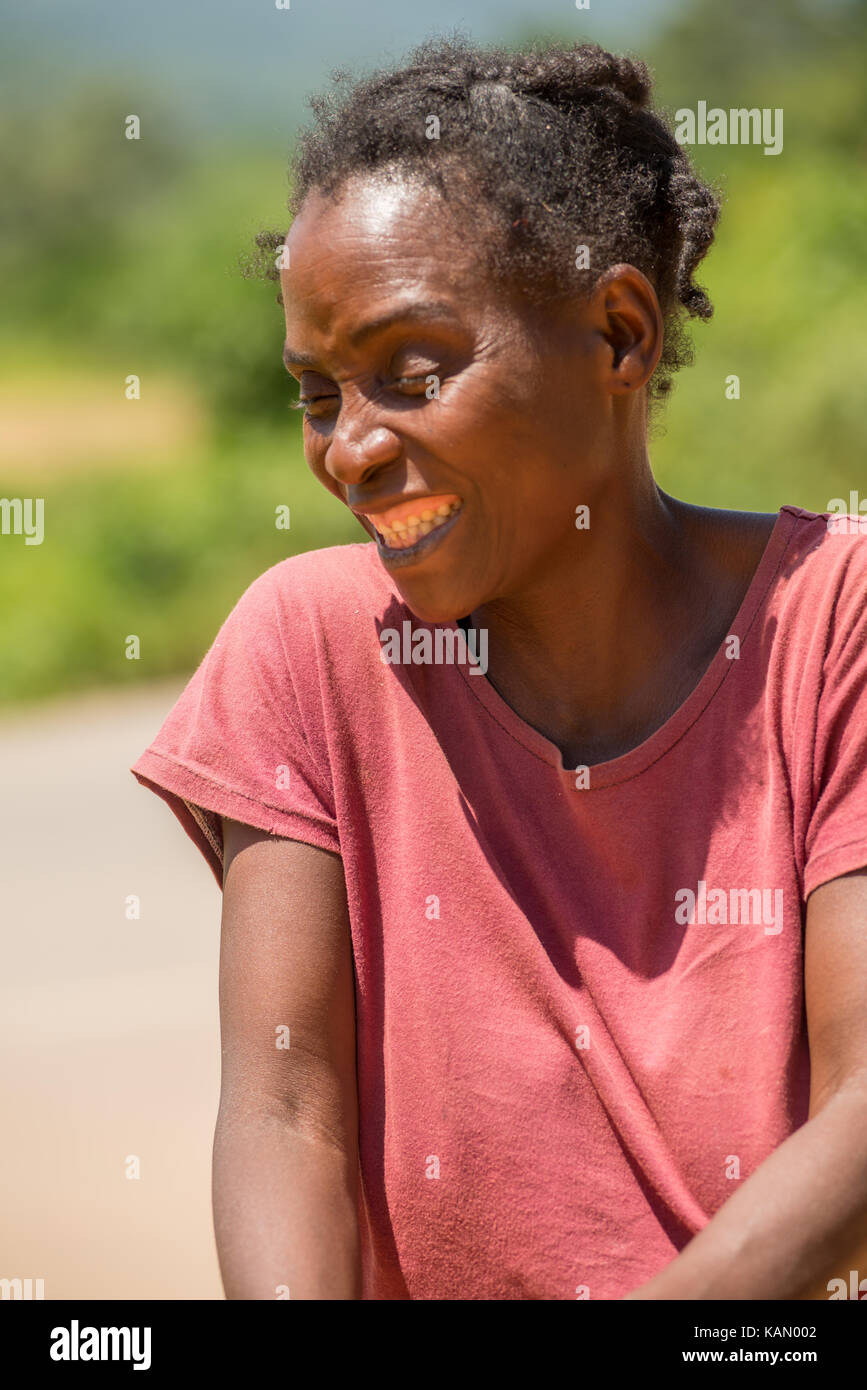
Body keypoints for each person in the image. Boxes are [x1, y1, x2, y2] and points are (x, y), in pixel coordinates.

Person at [131, 37, 867, 1300]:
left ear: (619, 332)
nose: (348, 449)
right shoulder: (309, 648)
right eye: (320, 394)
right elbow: (285, 1112)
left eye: (412, 374)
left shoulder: (832, 621)